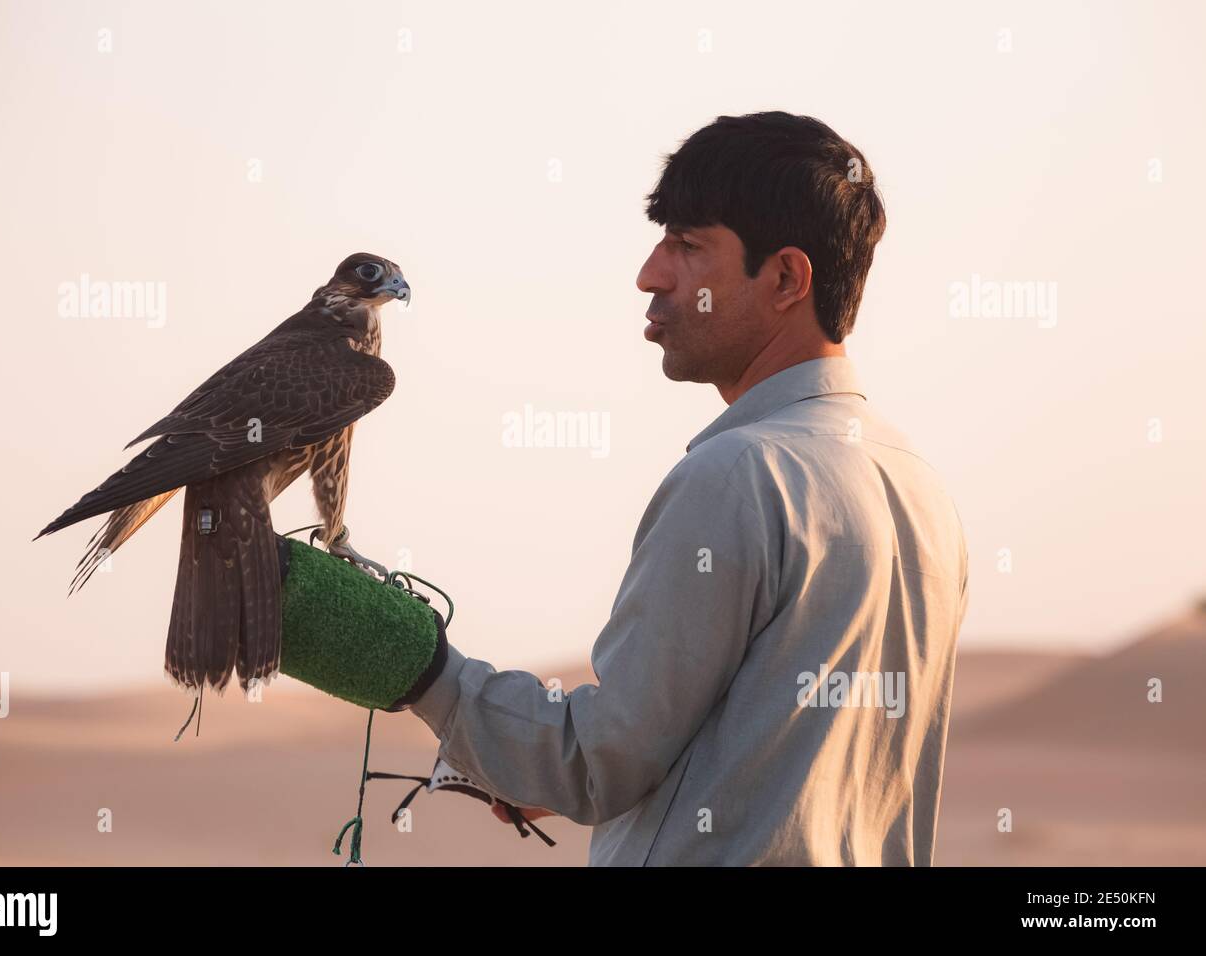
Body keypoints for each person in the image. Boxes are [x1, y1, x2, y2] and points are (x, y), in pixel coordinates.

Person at [407, 111, 969, 865]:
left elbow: (597, 763)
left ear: (785, 279)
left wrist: (419, 668)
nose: (651, 274)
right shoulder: (921, 489)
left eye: (689, 246)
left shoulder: (740, 475)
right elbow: (780, 752)